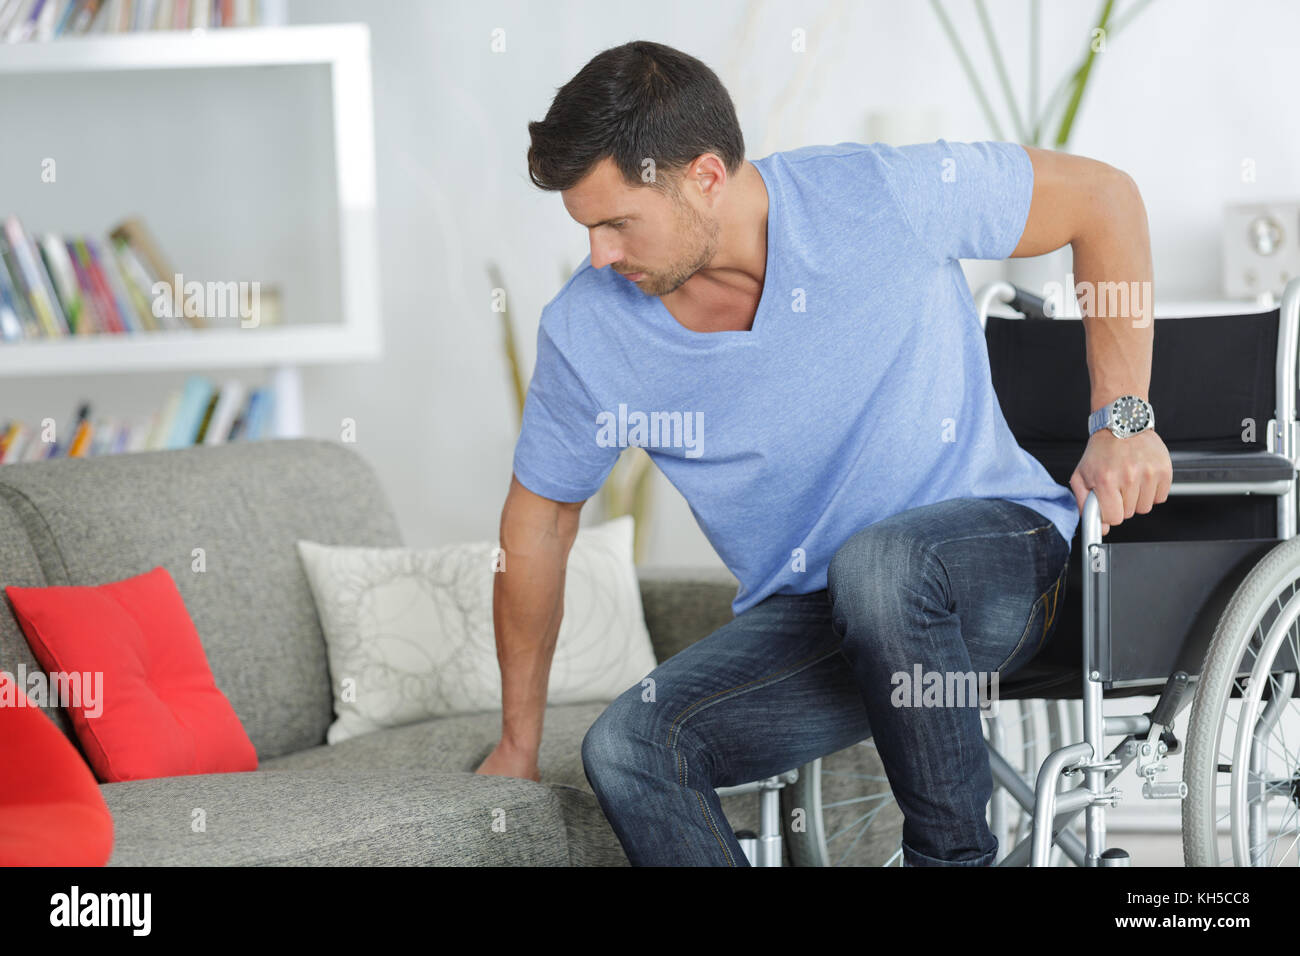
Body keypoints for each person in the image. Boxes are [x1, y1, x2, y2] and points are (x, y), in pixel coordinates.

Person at [476, 39, 1172, 866]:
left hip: (999, 563)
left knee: (882, 565)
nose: (599, 255)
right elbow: (540, 525)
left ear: (703, 176)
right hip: (819, 617)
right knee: (629, 745)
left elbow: (1105, 199)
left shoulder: (880, 195)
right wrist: (518, 740)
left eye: (617, 222)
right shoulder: (590, 331)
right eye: (588, 228)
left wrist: (1122, 419)